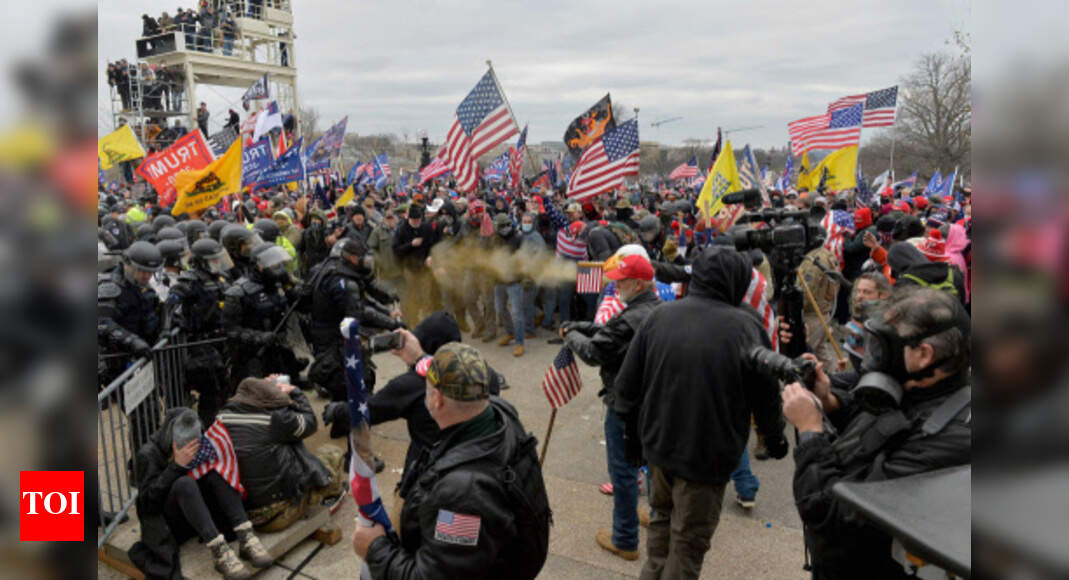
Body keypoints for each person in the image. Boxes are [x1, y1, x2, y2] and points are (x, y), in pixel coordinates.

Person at [614, 245, 790, 580]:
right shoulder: (745, 327)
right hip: (705, 460)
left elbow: (626, 389)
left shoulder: (660, 316)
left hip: (660, 448)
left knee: (662, 526)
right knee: (687, 544)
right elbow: (766, 397)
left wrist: (632, 439)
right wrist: (775, 437)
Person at [783, 287, 971, 579]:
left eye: (885, 345)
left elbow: (832, 514)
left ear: (924, 354)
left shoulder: (948, 436)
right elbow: (877, 423)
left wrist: (810, 432)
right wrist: (831, 402)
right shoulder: (917, 386)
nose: (875, 356)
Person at [353, 341, 551, 580]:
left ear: (436, 399)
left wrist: (374, 549)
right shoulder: (501, 413)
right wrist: (418, 357)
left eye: (426, 387)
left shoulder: (462, 496)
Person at [561, 245, 660, 561]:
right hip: (651, 402)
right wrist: (582, 326)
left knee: (623, 472)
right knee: (652, 465)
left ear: (638, 284)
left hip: (626, 405)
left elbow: (595, 352)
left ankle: (625, 539)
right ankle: (656, 515)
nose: (616, 286)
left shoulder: (632, 315)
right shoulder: (655, 307)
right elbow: (610, 331)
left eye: (622, 281)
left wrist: (569, 335)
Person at [129, 408, 273, 580]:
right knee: (184, 483)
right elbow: (147, 506)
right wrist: (176, 466)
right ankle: (219, 551)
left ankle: (245, 534)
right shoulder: (148, 455)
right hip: (169, 523)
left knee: (214, 472)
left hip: (194, 513)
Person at [218, 377, 344, 532]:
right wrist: (294, 393)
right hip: (280, 513)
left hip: (243, 512)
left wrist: (262, 388)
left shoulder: (221, 418)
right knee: (331, 454)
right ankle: (329, 490)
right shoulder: (274, 419)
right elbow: (310, 423)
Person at [307, 237, 401, 401]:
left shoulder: (336, 271)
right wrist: (392, 324)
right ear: (352, 257)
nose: (366, 261)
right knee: (350, 382)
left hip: (331, 332)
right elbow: (359, 311)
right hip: (333, 337)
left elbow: (363, 298)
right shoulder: (341, 280)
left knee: (348, 379)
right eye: (362, 257)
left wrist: (385, 312)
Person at [165, 238, 233, 425]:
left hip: (220, 339)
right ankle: (207, 427)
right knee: (211, 388)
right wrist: (171, 325)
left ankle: (220, 427)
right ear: (202, 261)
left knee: (223, 386)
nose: (218, 263)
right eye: (213, 260)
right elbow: (171, 305)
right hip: (199, 342)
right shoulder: (190, 280)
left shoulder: (220, 278)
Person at [222, 243, 305, 387]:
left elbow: (302, 305)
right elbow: (230, 330)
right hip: (252, 356)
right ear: (259, 266)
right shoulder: (239, 292)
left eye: (279, 264)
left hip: (279, 352)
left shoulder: (278, 284)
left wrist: (290, 287)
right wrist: (258, 337)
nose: (278, 268)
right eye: (273, 265)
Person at [393, 204, 435, 324]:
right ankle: (413, 321)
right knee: (413, 296)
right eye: (414, 221)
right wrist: (411, 244)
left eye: (418, 220)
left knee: (426, 296)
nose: (417, 223)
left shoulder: (426, 228)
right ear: (409, 219)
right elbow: (396, 250)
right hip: (409, 268)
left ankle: (428, 322)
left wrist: (430, 256)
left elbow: (432, 244)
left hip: (424, 267)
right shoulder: (401, 230)